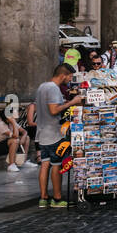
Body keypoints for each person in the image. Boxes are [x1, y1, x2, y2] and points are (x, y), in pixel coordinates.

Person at [30, 64, 82, 208]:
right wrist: (72, 102)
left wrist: (63, 103)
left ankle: (43, 198)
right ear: (63, 75)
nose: (70, 80)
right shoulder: (53, 88)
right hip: (53, 133)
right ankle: (57, 198)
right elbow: (53, 110)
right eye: (70, 77)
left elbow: (46, 106)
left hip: (41, 134)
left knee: (44, 165)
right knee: (56, 165)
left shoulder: (42, 86)